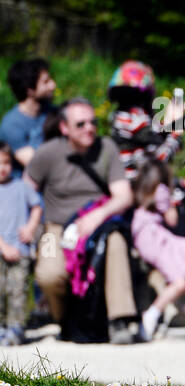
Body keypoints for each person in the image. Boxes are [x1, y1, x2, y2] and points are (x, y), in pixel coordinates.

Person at [24, 99, 137, 344]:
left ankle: (119, 320)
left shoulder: (106, 148)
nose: (89, 128)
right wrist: (31, 224)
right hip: (55, 227)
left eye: (93, 122)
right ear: (64, 128)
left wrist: (98, 215)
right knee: (48, 274)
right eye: (81, 124)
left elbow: (124, 195)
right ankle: (64, 319)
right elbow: (27, 188)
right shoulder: (49, 152)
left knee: (116, 240)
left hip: (98, 223)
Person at [106, 60, 185, 264]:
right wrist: (176, 133)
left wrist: (168, 124)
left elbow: (152, 140)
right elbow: (157, 161)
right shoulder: (132, 120)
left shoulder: (127, 116)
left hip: (157, 183)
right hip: (146, 188)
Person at [130, 159, 185, 341]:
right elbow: (172, 220)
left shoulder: (140, 191)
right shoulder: (161, 191)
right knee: (182, 280)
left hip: (148, 240)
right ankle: (153, 314)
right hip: (157, 241)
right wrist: (171, 204)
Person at [0, 144, 42, 344]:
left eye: (6, 162)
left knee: (18, 289)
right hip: (2, 249)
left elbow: (36, 206)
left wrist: (31, 227)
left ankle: (16, 327)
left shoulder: (21, 186)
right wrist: (3, 247)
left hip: (20, 250)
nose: (3, 167)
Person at [2, 58, 56, 170]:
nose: (53, 85)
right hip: (26, 184)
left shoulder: (52, 111)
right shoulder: (11, 125)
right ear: (29, 90)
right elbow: (36, 165)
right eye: (46, 82)